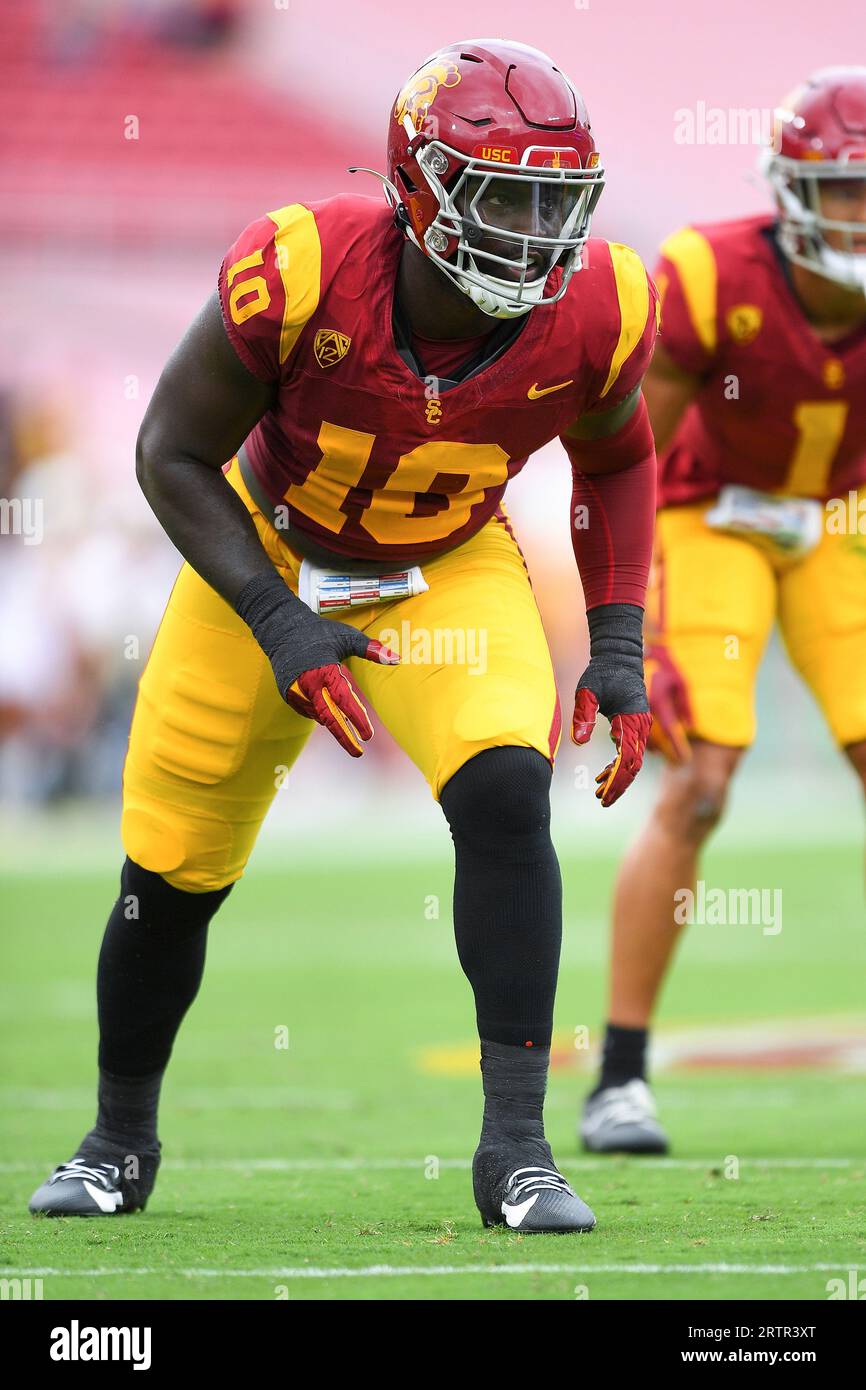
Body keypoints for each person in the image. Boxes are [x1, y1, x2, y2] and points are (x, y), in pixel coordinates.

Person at [30, 39, 658, 1231]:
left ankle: (517, 1151)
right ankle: (117, 1138)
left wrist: (619, 640)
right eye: (505, 197)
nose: (535, 232)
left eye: (553, 200)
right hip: (260, 555)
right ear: (419, 189)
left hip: (445, 566)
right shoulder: (304, 265)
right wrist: (277, 620)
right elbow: (168, 452)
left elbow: (618, 457)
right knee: (168, 876)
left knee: (508, 800)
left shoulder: (602, 306)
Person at [581, 67, 866, 1155]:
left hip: (839, 520)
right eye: (843, 189)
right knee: (698, 780)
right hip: (710, 517)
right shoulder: (710, 272)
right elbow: (627, 457)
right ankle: (618, 1076)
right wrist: (625, 624)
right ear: (792, 191)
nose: (858, 212)